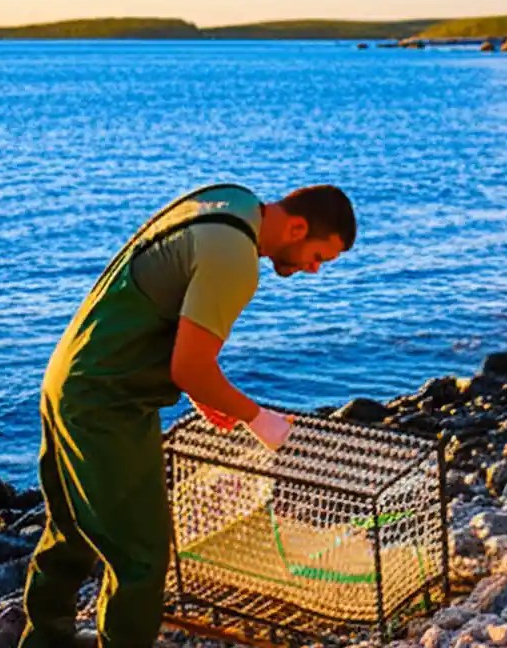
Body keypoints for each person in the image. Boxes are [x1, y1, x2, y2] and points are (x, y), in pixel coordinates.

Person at [18, 183, 357, 648]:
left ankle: (46, 637)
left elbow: (164, 308)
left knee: (71, 526)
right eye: (319, 255)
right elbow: (190, 366)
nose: (313, 269)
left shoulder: (230, 202)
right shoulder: (236, 260)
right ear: (297, 228)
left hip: (66, 377)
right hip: (106, 403)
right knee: (142, 554)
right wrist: (259, 419)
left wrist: (203, 395)